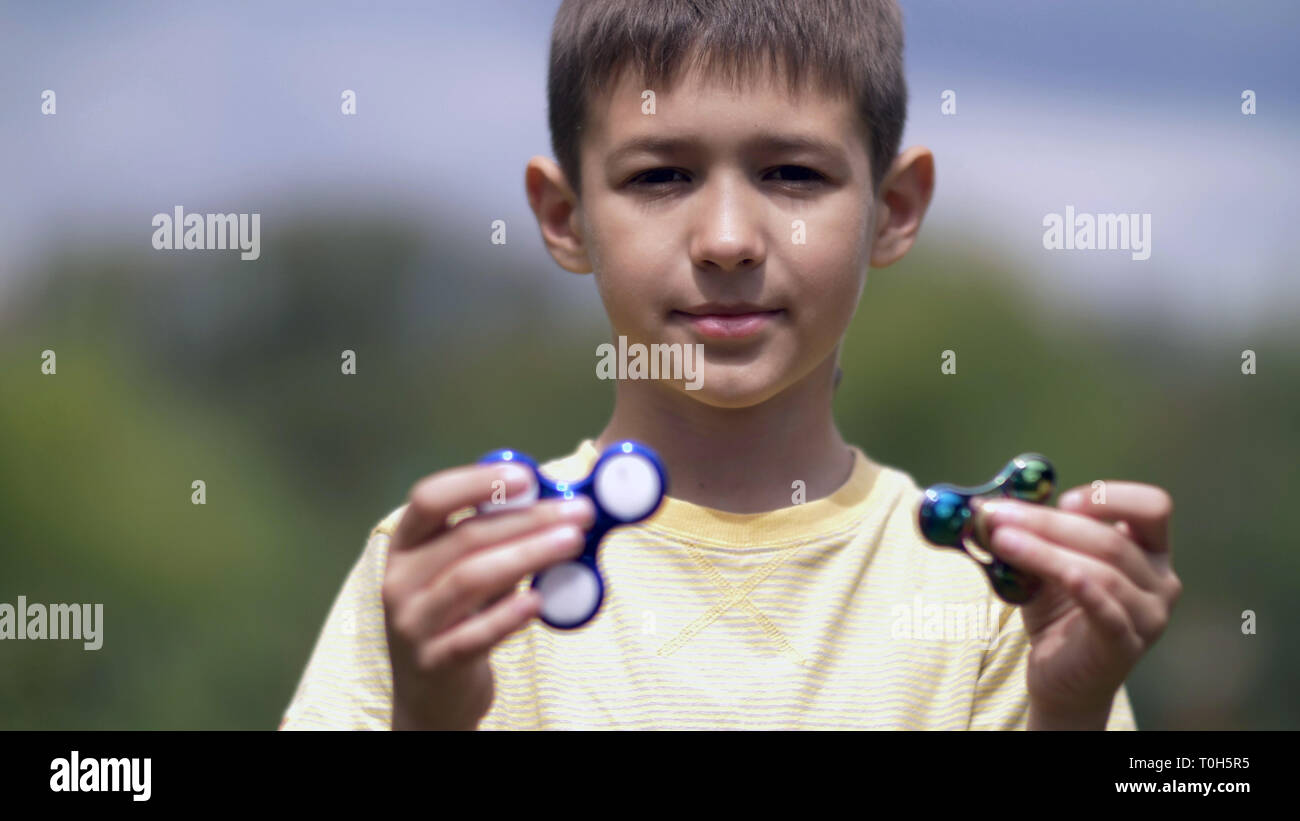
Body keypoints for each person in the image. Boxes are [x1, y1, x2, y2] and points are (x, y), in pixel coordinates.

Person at [281, 0, 1181, 730]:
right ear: (564, 218)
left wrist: (1072, 718)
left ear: (894, 209)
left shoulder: (990, 593)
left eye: (791, 173)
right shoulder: (449, 573)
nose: (725, 241)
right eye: (660, 178)